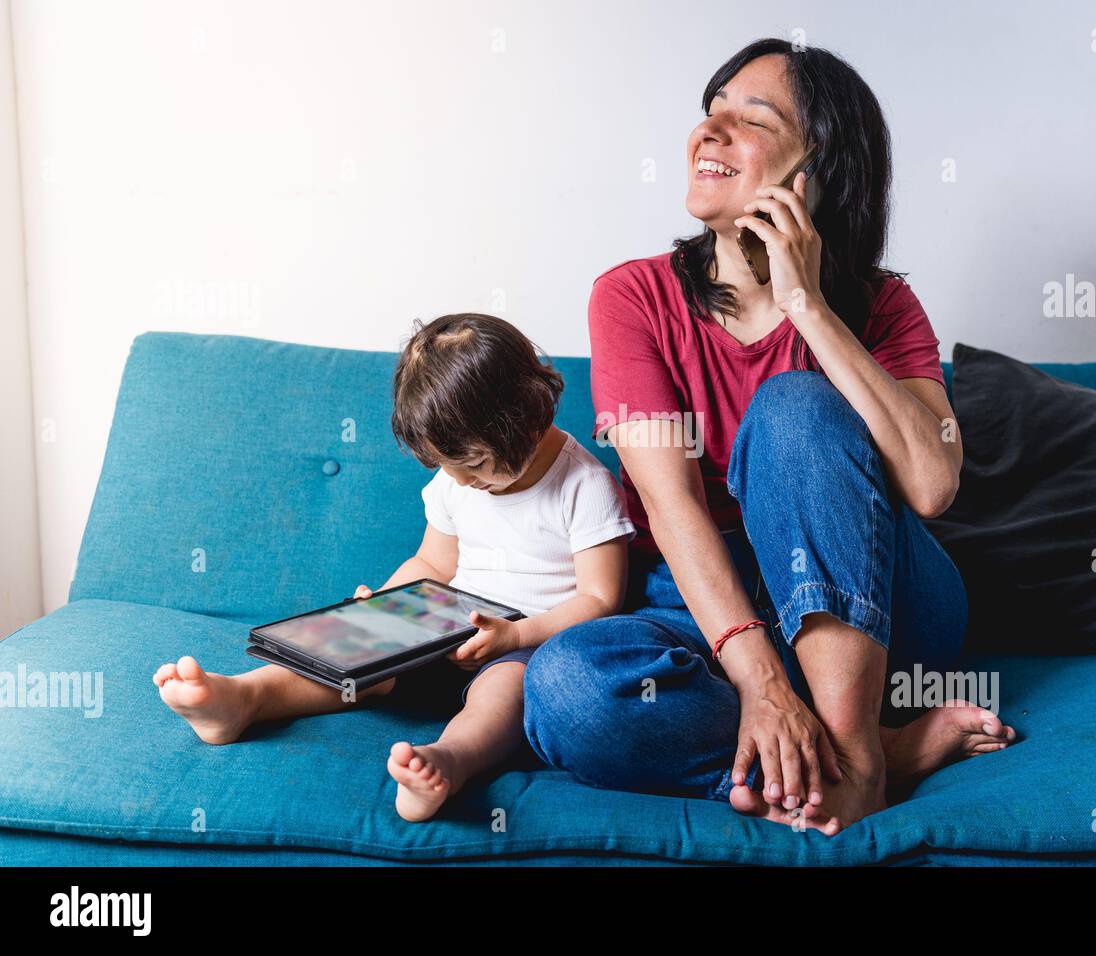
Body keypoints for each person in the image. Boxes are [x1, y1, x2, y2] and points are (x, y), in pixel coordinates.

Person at [522, 39, 1017, 837]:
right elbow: (670, 504)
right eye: (708, 112)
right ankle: (869, 754)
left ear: (813, 171)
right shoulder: (631, 297)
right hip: (703, 604)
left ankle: (851, 765)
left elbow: (932, 485)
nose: (708, 133)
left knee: (793, 406)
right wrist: (760, 682)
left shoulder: (882, 305)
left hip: (877, 600)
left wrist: (809, 307)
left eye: (749, 118)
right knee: (569, 690)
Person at [153, 313, 635, 821]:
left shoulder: (585, 486)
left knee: (505, 689)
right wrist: (385, 604)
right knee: (359, 654)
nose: (464, 481)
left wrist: (515, 638)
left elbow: (601, 599)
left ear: (530, 419)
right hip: (449, 623)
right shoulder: (457, 480)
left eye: (476, 466)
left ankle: (448, 763)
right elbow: (432, 562)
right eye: (449, 468)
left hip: (528, 643)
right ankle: (244, 698)